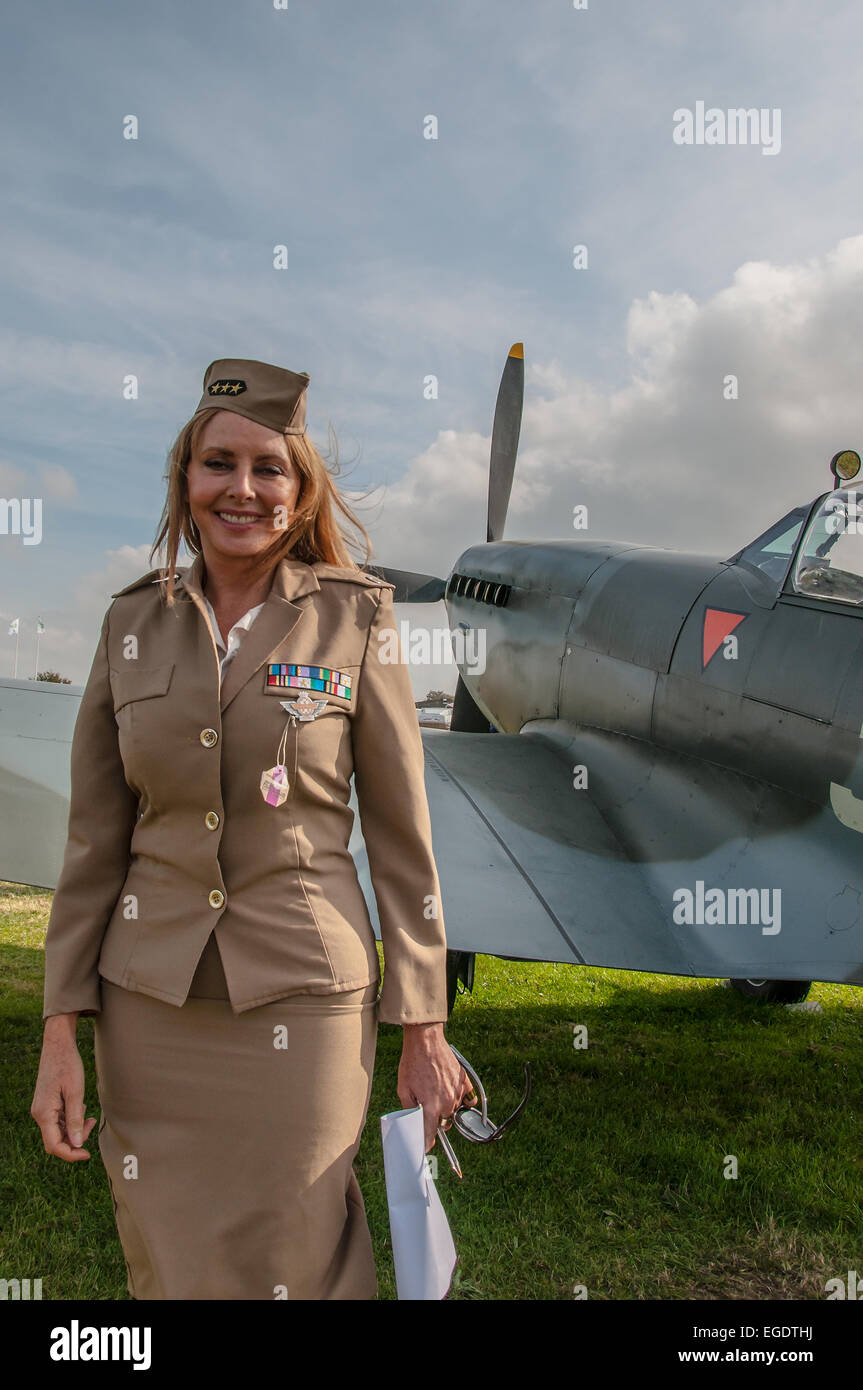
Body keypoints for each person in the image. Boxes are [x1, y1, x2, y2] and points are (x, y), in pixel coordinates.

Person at [30, 357, 473, 1300]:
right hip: (148, 1002)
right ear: (184, 482)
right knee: (166, 1252)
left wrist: (424, 1024)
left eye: (269, 468)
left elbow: (403, 843)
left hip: (303, 998)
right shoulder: (130, 625)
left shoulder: (359, 620)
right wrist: (59, 1028)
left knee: (299, 1242)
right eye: (217, 463)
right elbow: (94, 844)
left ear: (301, 489)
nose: (242, 488)